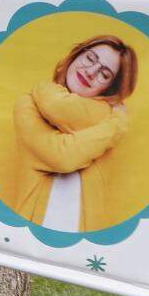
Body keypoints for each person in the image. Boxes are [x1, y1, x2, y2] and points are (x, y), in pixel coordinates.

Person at [11, 35, 137, 233]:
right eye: (90, 58)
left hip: (87, 248)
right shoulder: (28, 103)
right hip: (29, 239)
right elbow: (61, 156)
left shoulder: (105, 115)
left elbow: (60, 108)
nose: (91, 72)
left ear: (110, 88)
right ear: (77, 55)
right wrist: (117, 124)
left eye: (104, 74)